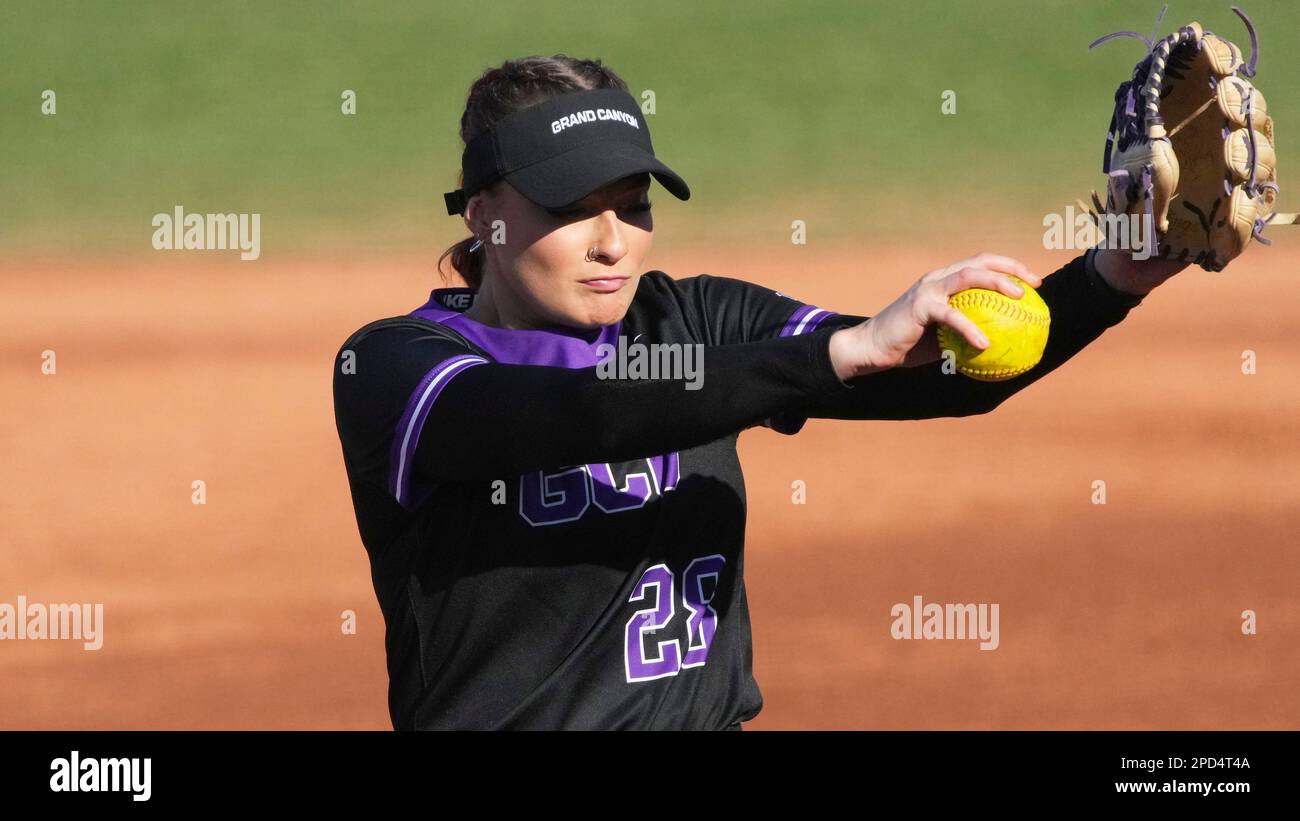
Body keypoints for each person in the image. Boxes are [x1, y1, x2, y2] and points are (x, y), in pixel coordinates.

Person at [331, 54, 1189, 730]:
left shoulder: (698, 317)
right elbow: (585, 407)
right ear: (485, 213)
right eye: (571, 208)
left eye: (632, 206)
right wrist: (833, 355)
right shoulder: (395, 370)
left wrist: (1113, 273)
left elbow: (944, 377)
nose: (612, 243)